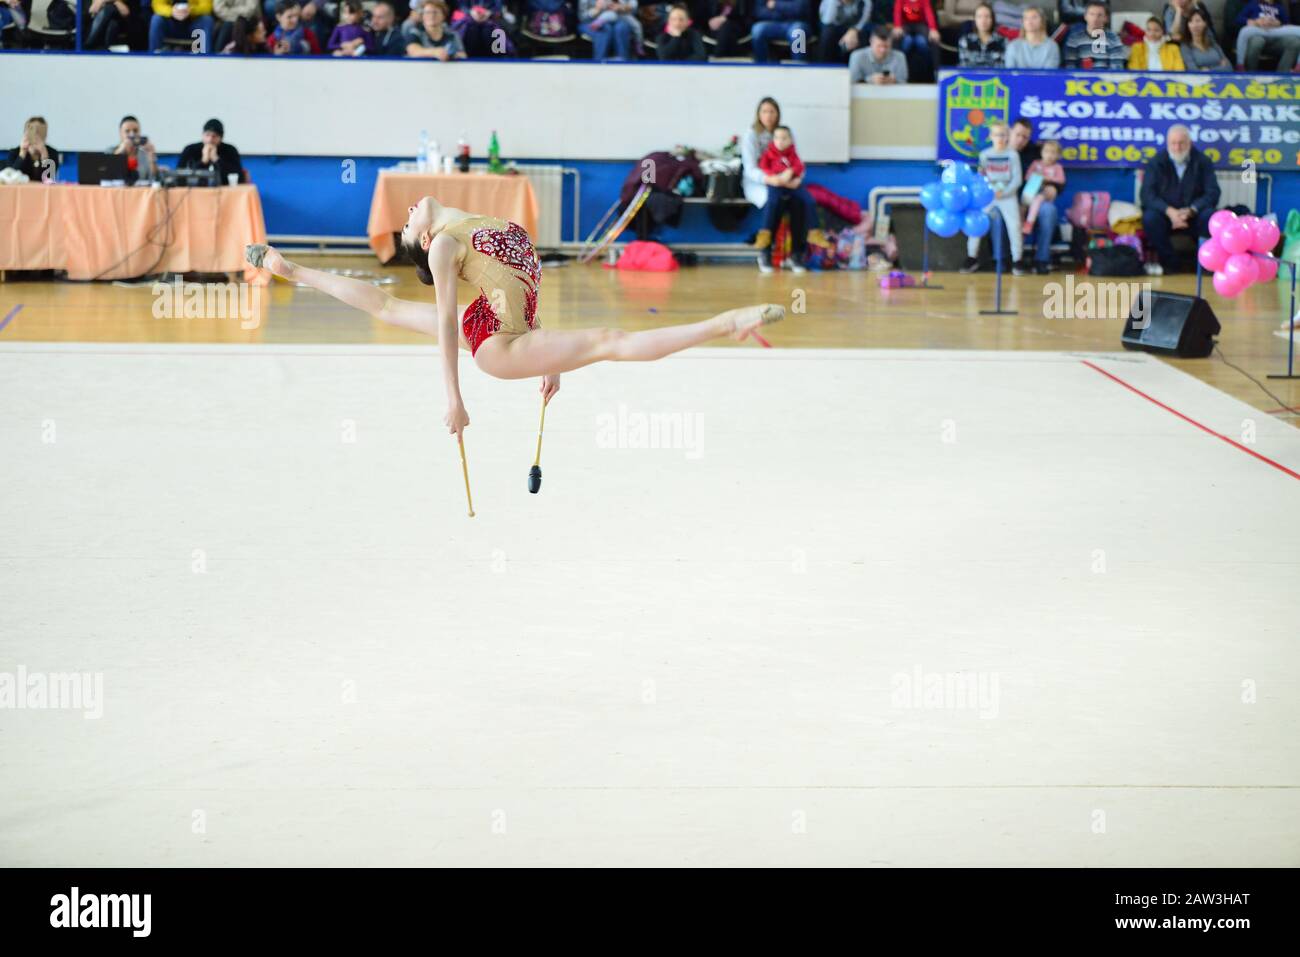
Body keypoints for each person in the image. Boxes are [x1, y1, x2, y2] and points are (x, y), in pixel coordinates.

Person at [244, 206, 784, 446]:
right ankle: (725, 322)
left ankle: (289, 270)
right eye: (408, 224)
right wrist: (454, 399)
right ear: (426, 244)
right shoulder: (446, 247)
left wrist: (545, 352)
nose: (409, 212)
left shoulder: (465, 222)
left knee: (387, 308)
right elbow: (440, 327)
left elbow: (518, 283)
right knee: (609, 341)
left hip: (502, 323)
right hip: (496, 346)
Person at [741, 97, 816, 273]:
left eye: (772, 111)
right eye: (764, 111)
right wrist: (771, 180)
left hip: (786, 181)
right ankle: (765, 251)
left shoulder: (785, 132)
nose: (768, 115)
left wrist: (797, 179)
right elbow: (750, 168)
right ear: (758, 114)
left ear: (778, 114)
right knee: (773, 202)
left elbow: (796, 161)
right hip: (760, 181)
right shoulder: (751, 134)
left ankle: (797, 254)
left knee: (799, 202)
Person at [1139, 124, 1219, 275]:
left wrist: (1192, 210)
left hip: (1194, 214)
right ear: (1167, 143)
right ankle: (1171, 263)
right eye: (1173, 143)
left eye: (1181, 143)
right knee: (1150, 218)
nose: (1177, 147)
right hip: (1166, 215)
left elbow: (1213, 192)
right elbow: (1147, 195)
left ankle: (1203, 264)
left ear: (1189, 143)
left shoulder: (1203, 162)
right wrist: (1170, 211)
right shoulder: (1155, 163)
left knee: (1210, 216)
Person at [961, 121, 1024, 276]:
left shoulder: (1013, 155)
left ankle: (1018, 260)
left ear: (1008, 136)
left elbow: (1017, 179)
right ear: (991, 136)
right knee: (977, 223)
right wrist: (987, 188)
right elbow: (981, 177)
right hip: (988, 196)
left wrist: (1004, 192)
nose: (1000, 138)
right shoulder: (984, 155)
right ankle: (971, 257)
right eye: (996, 135)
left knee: (1014, 226)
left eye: (1003, 135)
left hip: (1008, 196)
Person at [1235, 1, 1300, 71]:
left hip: (1276, 33)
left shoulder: (1279, 7)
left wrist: (1278, 23)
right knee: (1247, 34)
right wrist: (1255, 22)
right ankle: (1243, 67)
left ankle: (1287, 72)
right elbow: (1239, 19)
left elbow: (1286, 23)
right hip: (1257, 31)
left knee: (1295, 40)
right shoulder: (1253, 4)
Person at [1062, 1, 1125, 69]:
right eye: (1092, 14)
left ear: (1106, 18)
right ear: (1085, 16)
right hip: (1080, 79)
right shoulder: (1074, 38)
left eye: (1100, 15)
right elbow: (1070, 68)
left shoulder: (1113, 38)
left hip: (1106, 79)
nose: (1095, 19)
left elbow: (1117, 69)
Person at [178, 118, 243, 183]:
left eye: (214, 136)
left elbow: (239, 177)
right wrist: (203, 161)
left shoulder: (230, 150)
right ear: (203, 135)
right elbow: (179, 175)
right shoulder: (190, 150)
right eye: (207, 135)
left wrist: (216, 159)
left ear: (221, 137)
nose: (210, 140)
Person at [1021, 139, 1064, 235]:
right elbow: (1027, 176)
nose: (1049, 155)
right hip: (1031, 191)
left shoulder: (1057, 167)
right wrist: (1036, 177)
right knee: (1023, 203)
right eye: (1046, 151)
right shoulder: (1036, 164)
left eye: (1053, 153)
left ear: (1058, 155)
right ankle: (1021, 223)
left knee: (1038, 198)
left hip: (1044, 195)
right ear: (1041, 152)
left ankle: (1029, 223)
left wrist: (1047, 178)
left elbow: (1061, 180)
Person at [579, 0, 643, 60]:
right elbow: (582, 17)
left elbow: (634, 8)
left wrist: (623, 7)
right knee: (605, 29)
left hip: (622, 17)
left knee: (621, 27)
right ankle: (599, 62)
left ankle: (623, 61)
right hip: (593, 21)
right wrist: (596, 9)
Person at [892, 0, 939, 80]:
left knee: (931, 39)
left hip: (920, 24)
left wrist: (933, 29)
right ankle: (895, 71)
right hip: (905, 24)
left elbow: (929, 13)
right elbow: (897, 12)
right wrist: (897, 25)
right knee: (900, 38)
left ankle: (936, 72)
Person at [3, 117, 60, 182]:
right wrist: (22, 154)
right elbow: (11, 178)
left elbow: (50, 179)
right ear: (25, 132)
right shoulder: (14, 152)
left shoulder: (52, 153)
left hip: (43, 191)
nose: (36, 135)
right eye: (32, 130)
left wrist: (44, 155)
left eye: (40, 132)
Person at [148, 0, 215, 52]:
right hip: (170, 25)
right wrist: (172, 11)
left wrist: (190, 10)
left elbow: (207, 7)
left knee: (207, 20)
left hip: (193, 25)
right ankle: (154, 54)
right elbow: (157, 5)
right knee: (156, 19)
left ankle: (206, 56)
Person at [109, 115, 157, 184]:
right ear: (120, 133)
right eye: (127, 131)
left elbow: (153, 180)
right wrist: (120, 151)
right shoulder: (111, 151)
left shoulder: (144, 155)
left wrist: (152, 156)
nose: (132, 134)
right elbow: (108, 172)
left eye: (135, 131)